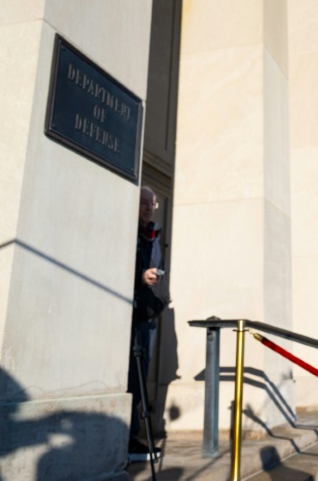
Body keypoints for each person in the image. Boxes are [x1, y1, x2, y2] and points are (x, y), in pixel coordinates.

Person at [128, 185, 169, 459]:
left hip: (147, 314)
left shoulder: (153, 235)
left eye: (151, 203)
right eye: (143, 202)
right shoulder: (127, 229)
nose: (147, 207)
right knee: (131, 374)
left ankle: (132, 436)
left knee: (141, 372)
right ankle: (127, 437)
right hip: (129, 311)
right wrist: (140, 276)